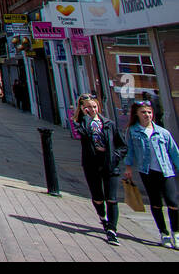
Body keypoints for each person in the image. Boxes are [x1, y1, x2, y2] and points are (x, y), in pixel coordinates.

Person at [123, 99, 179, 248]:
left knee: (173, 203)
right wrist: (128, 168)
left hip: (166, 171)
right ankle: (164, 233)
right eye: (143, 112)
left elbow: (174, 153)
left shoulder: (163, 132)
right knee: (156, 204)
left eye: (149, 112)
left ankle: (177, 233)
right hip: (147, 172)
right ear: (137, 114)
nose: (147, 115)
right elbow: (130, 151)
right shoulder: (133, 131)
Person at [74, 94, 127, 244]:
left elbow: (122, 145)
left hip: (109, 164)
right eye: (88, 107)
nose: (92, 109)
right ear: (83, 109)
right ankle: (103, 218)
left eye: (94, 106)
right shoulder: (81, 123)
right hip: (91, 164)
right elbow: (82, 133)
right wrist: (85, 117)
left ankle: (112, 230)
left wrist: (115, 156)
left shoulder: (109, 124)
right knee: (98, 198)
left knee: (112, 198)